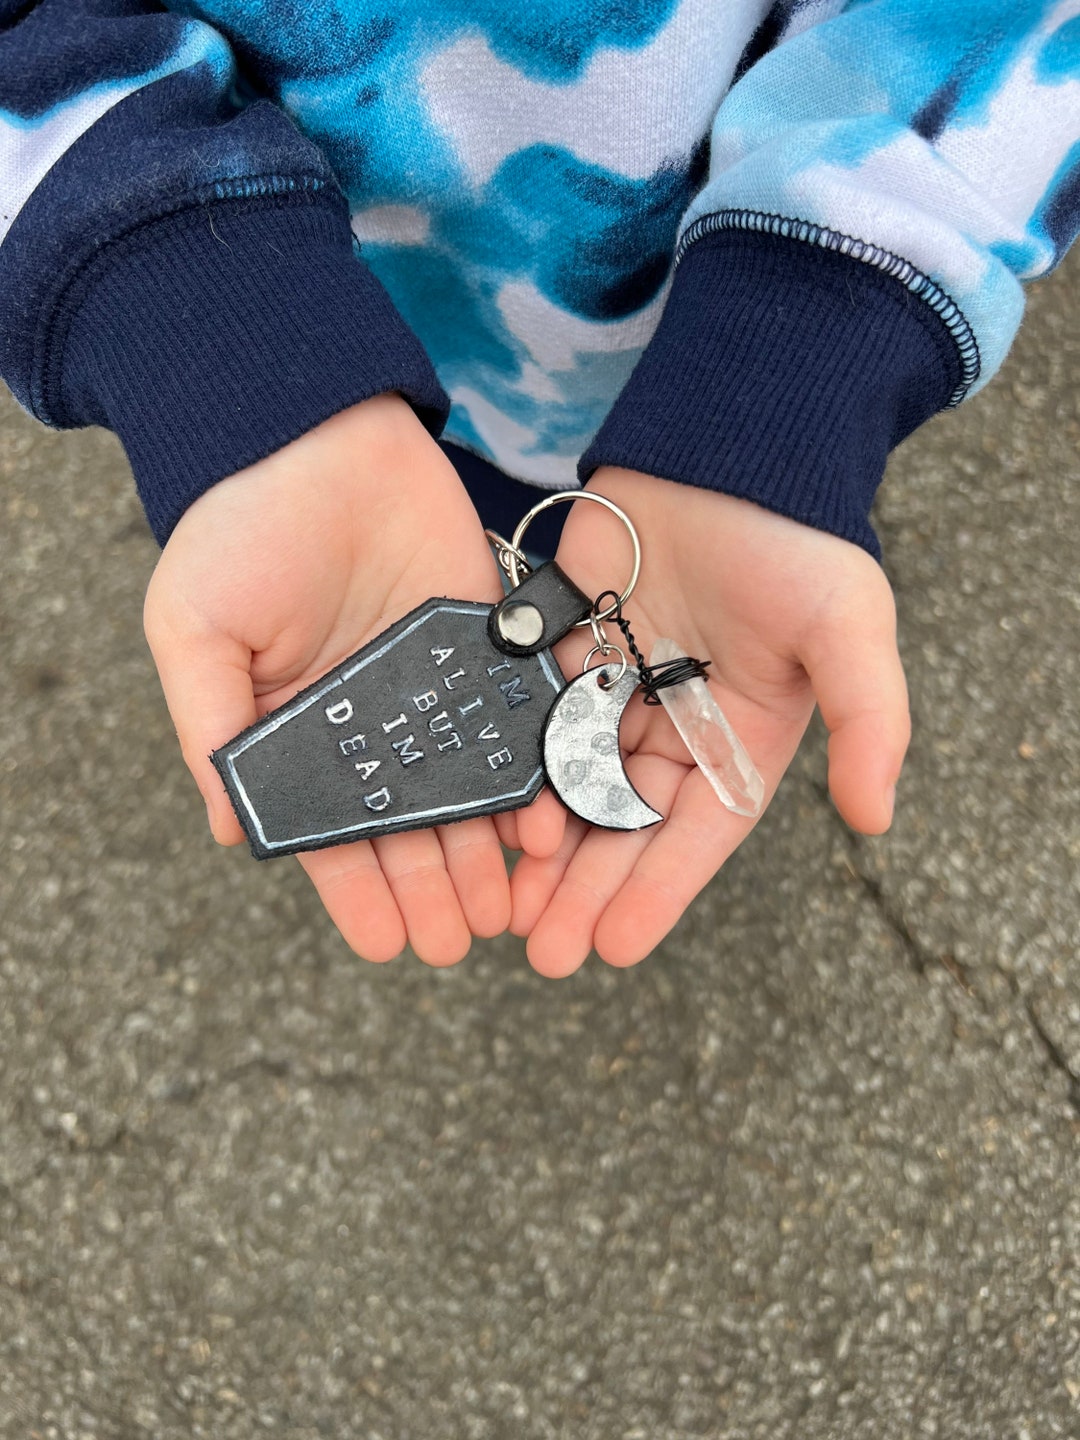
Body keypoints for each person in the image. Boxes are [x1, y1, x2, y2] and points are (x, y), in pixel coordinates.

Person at [2, 0, 1076, 976]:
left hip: (689, 315)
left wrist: (786, 376)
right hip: (309, 296)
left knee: (537, 508)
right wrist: (210, 338)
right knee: (465, 503)